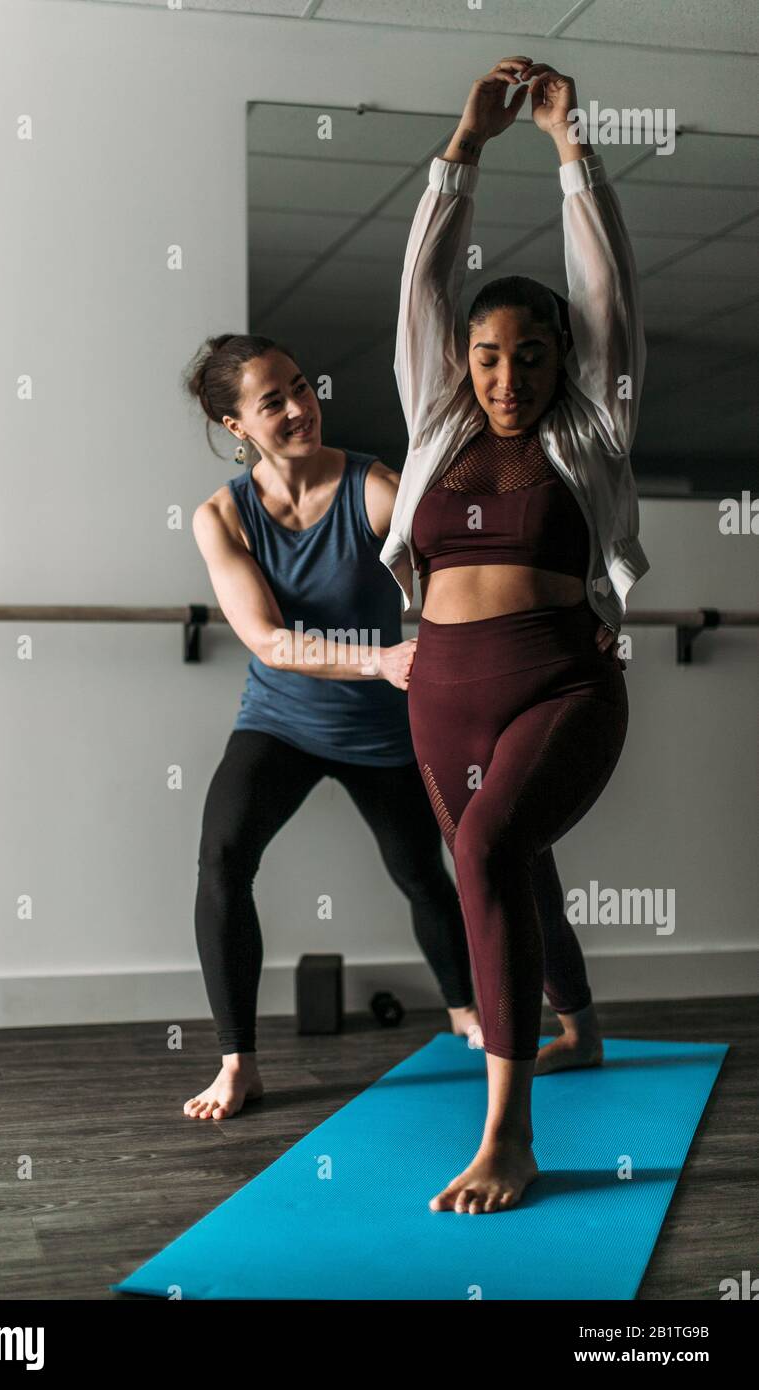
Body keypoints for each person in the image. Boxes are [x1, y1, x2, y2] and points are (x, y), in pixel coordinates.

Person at [381, 57, 650, 1213]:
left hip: (559, 679)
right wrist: (462, 145)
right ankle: (576, 1028)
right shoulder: (436, 419)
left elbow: (606, 297)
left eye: (528, 356)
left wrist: (565, 147)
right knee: (500, 864)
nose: (505, 375)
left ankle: (508, 1136)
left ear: (558, 362)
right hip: (440, 688)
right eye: (486, 356)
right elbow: (420, 285)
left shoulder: (589, 423)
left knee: (489, 853)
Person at [180, 334, 482, 1120]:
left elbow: (450, 575)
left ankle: (467, 1015)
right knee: (222, 858)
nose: (296, 407)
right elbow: (270, 641)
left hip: (384, 732)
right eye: (270, 401)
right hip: (280, 721)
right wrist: (379, 660)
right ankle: (236, 1061)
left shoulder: (373, 488)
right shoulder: (222, 517)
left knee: (420, 872)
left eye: (299, 387)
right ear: (234, 423)